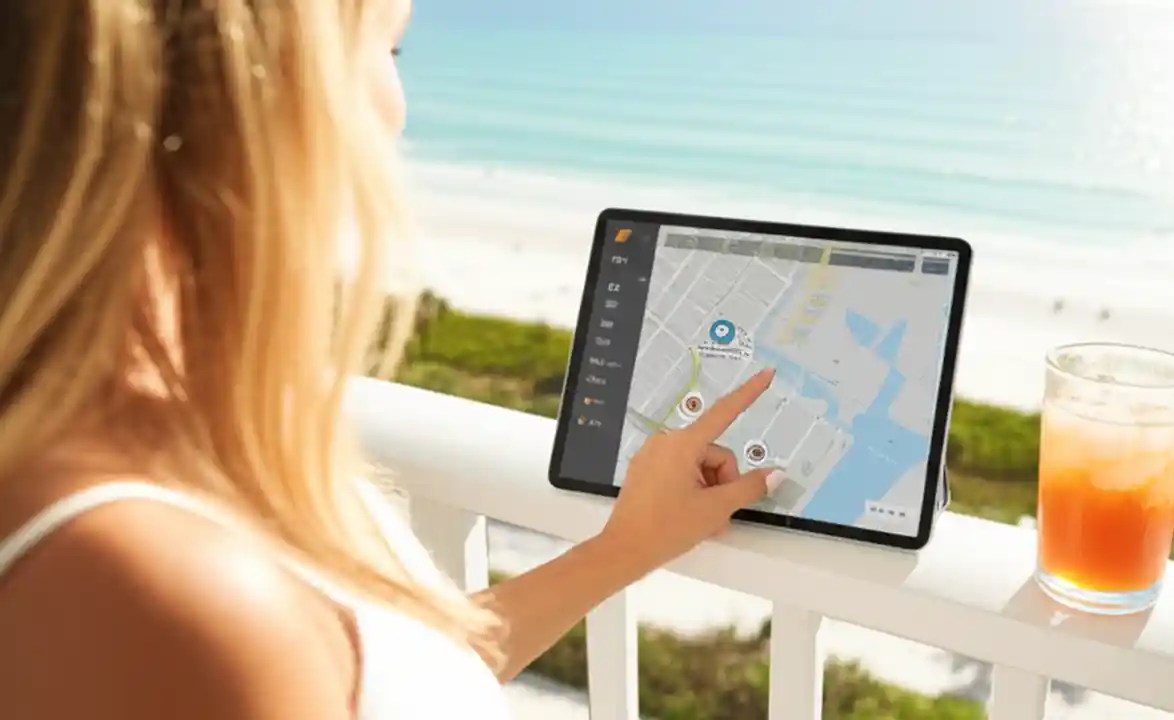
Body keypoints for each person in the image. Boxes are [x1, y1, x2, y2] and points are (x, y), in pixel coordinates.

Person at [0, 1, 780, 718]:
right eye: (390, 46)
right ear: (256, 92)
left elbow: (391, 683)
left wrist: (627, 547)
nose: (398, 110)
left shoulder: (157, 442)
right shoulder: (177, 598)